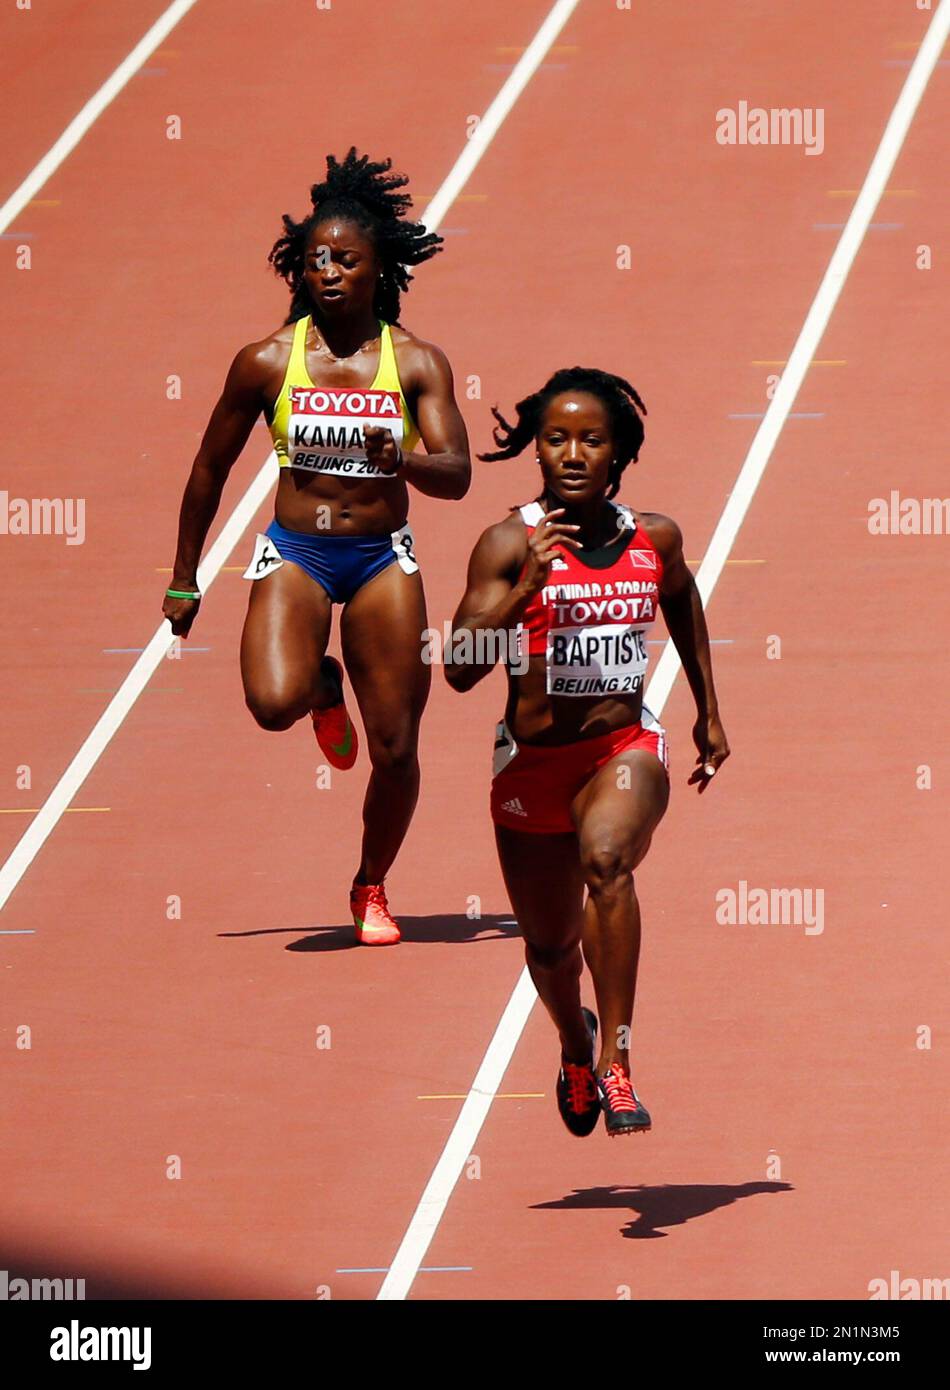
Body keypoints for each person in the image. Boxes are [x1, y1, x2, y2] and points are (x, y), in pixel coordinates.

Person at [164, 149, 470, 945]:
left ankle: (371, 884)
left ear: (380, 269)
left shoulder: (416, 363)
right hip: (298, 551)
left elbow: (458, 473)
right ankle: (319, 683)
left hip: (378, 561)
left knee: (398, 749)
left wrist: (397, 456)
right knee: (272, 705)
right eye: (315, 261)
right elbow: (208, 467)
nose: (328, 272)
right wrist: (183, 577)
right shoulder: (267, 361)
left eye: (345, 259)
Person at [446, 368, 728, 1134]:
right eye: (556, 438)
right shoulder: (507, 542)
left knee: (607, 862)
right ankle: (575, 1042)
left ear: (619, 454)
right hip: (530, 769)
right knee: (549, 947)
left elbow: (682, 600)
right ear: (536, 449)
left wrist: (708, 712)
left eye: (591, 440)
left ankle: (618, 1062)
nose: (572, 453)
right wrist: (523, 587)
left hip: (622, 747)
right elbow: (461, 669)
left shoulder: (653, 537)